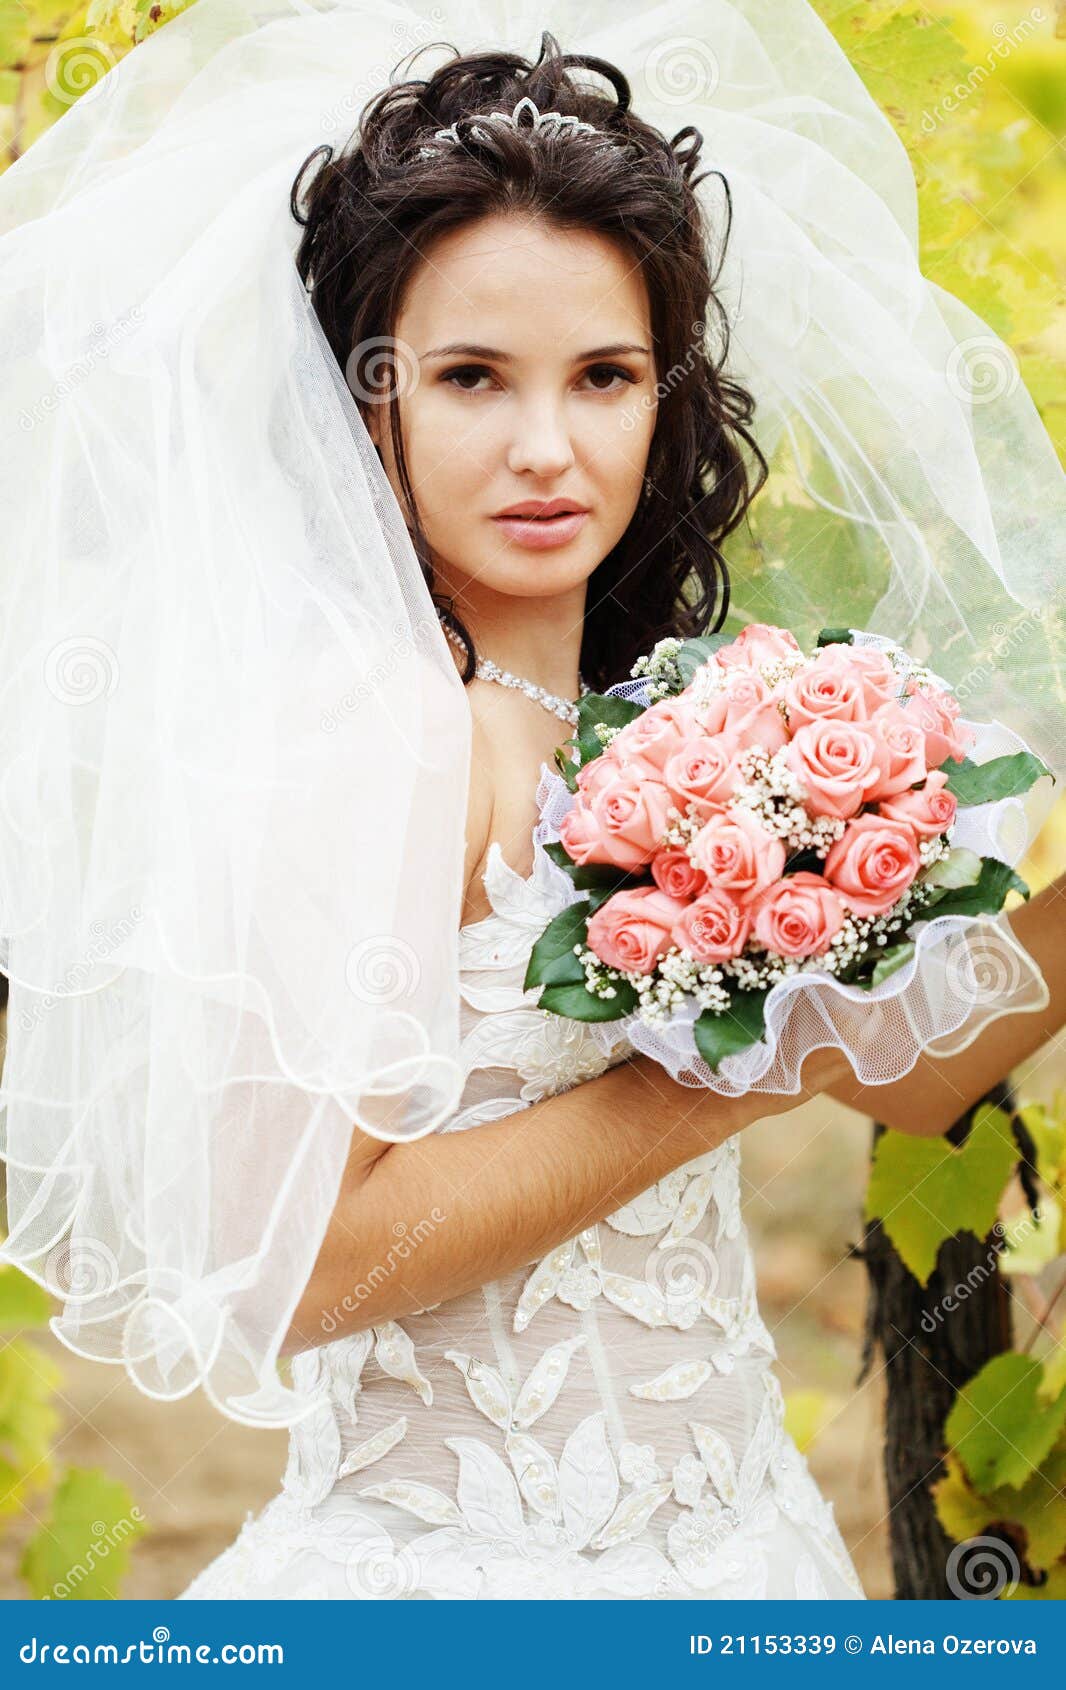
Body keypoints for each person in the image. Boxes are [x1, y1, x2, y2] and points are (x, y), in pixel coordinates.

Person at [174, 33, 1064, 1601]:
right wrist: (727, 1076)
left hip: (733, 1550)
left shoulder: (639, 722)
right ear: (367, 407)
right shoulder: (387, 736)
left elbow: (912, 1072)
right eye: (470, 378)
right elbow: (302, 1269)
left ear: (667, 399)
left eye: (602, 376)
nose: (544, 446)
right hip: (471, 1586)